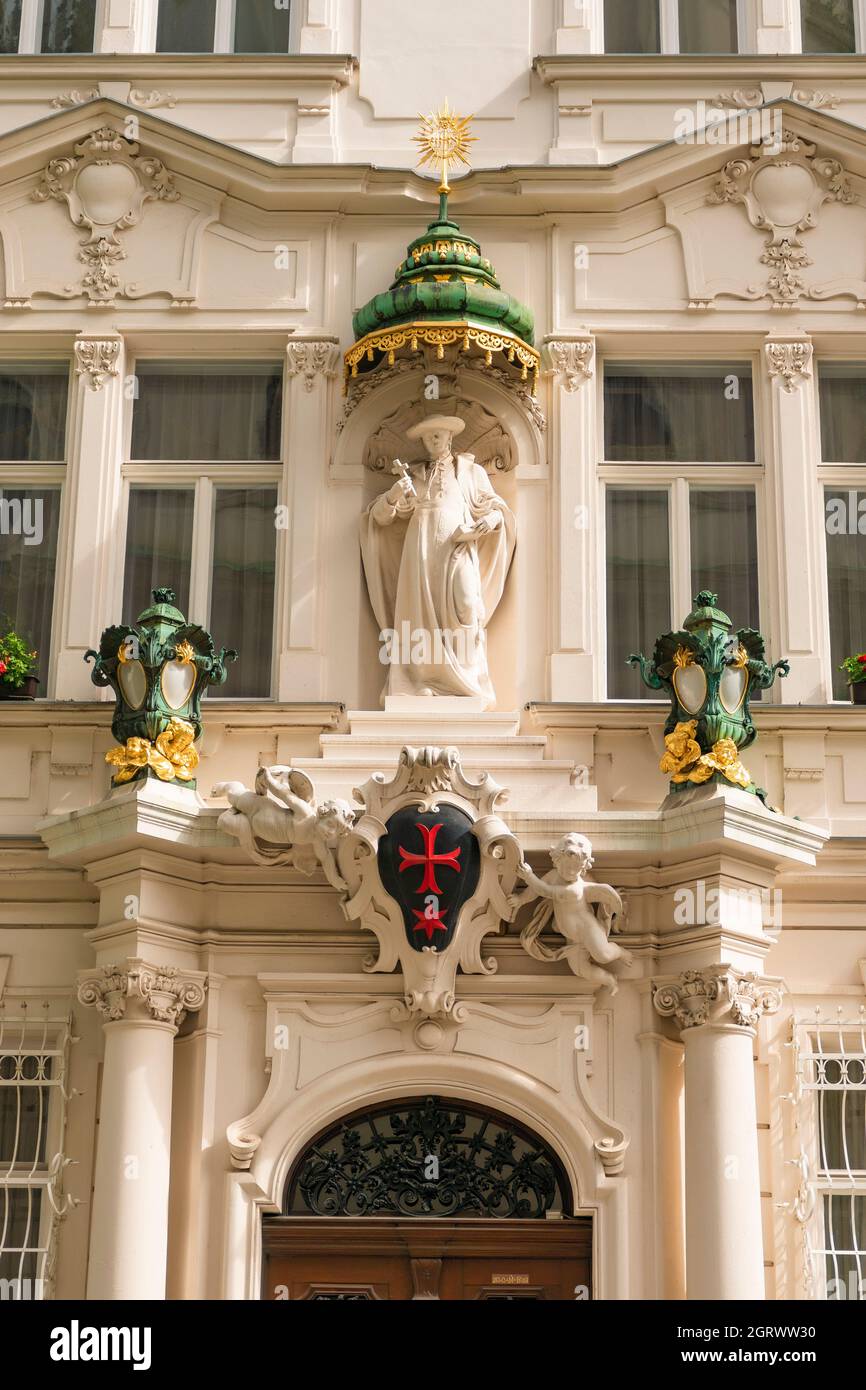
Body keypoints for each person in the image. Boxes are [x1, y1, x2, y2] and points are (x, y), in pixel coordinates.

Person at [360, 414, 515, 704]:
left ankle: (467, 680)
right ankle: (422, 680)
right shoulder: (413, 475)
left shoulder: (470, 472)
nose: (433, 440)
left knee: (467, 603)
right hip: (419, 554)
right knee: (419, 616)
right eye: (428, 436)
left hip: (456, 549)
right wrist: (394, 496)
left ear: (450, 438)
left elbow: (496, 507)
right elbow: (380, 518)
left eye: (439, 434)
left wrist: (492, 518)